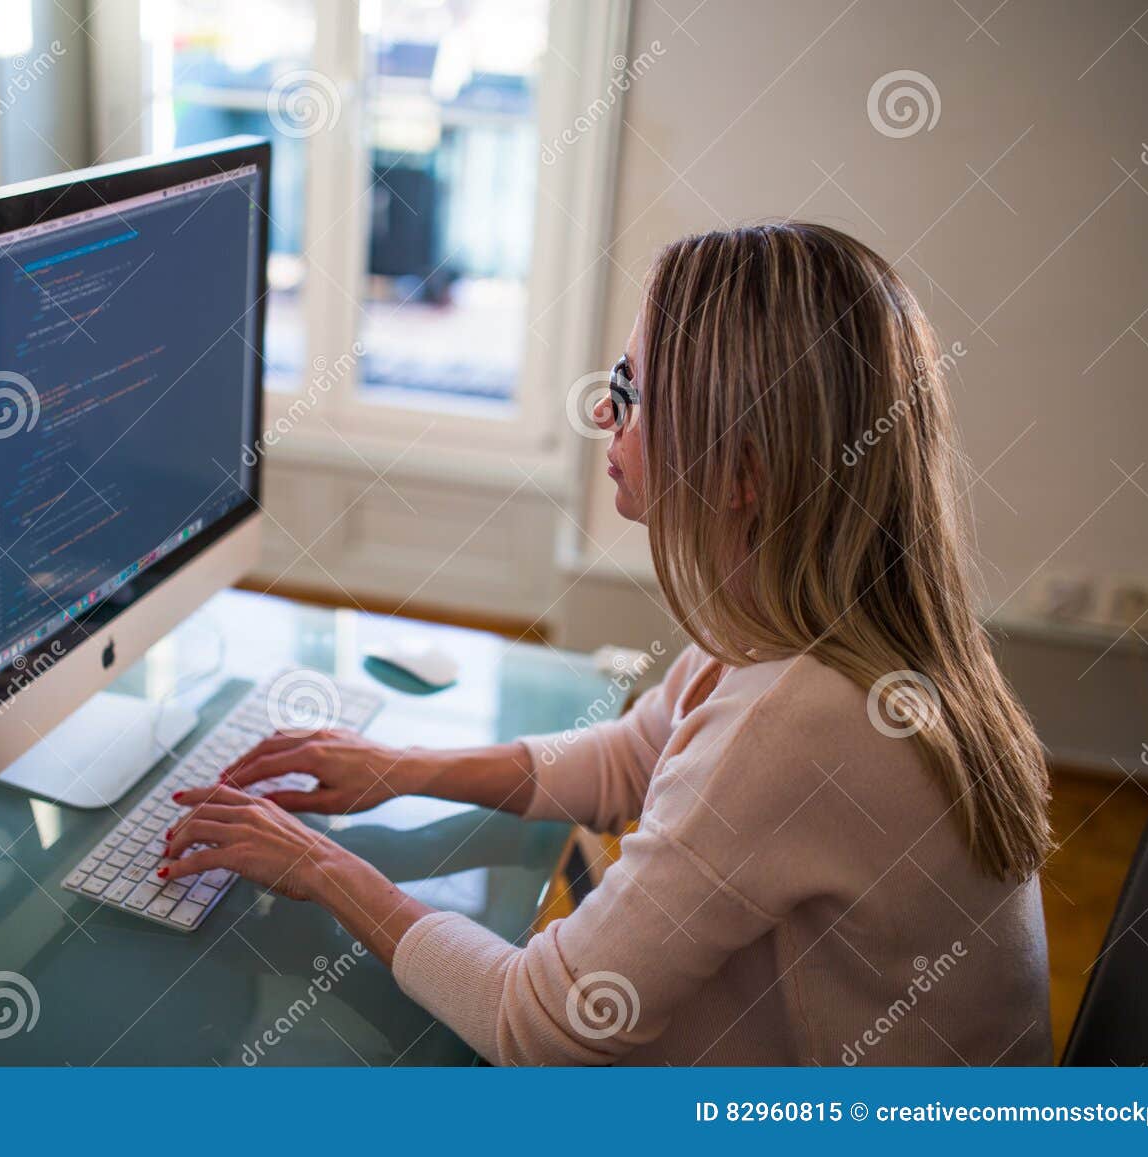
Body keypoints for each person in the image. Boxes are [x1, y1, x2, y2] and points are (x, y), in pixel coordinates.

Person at [159, 223, 1054, 1065]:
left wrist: (315, 862)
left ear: (743, 471)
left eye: (628, 394)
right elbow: (634, 755)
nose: (604, 417)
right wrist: (402, 766)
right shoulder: (814, 616)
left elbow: (541, 1022)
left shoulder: (806, 721)